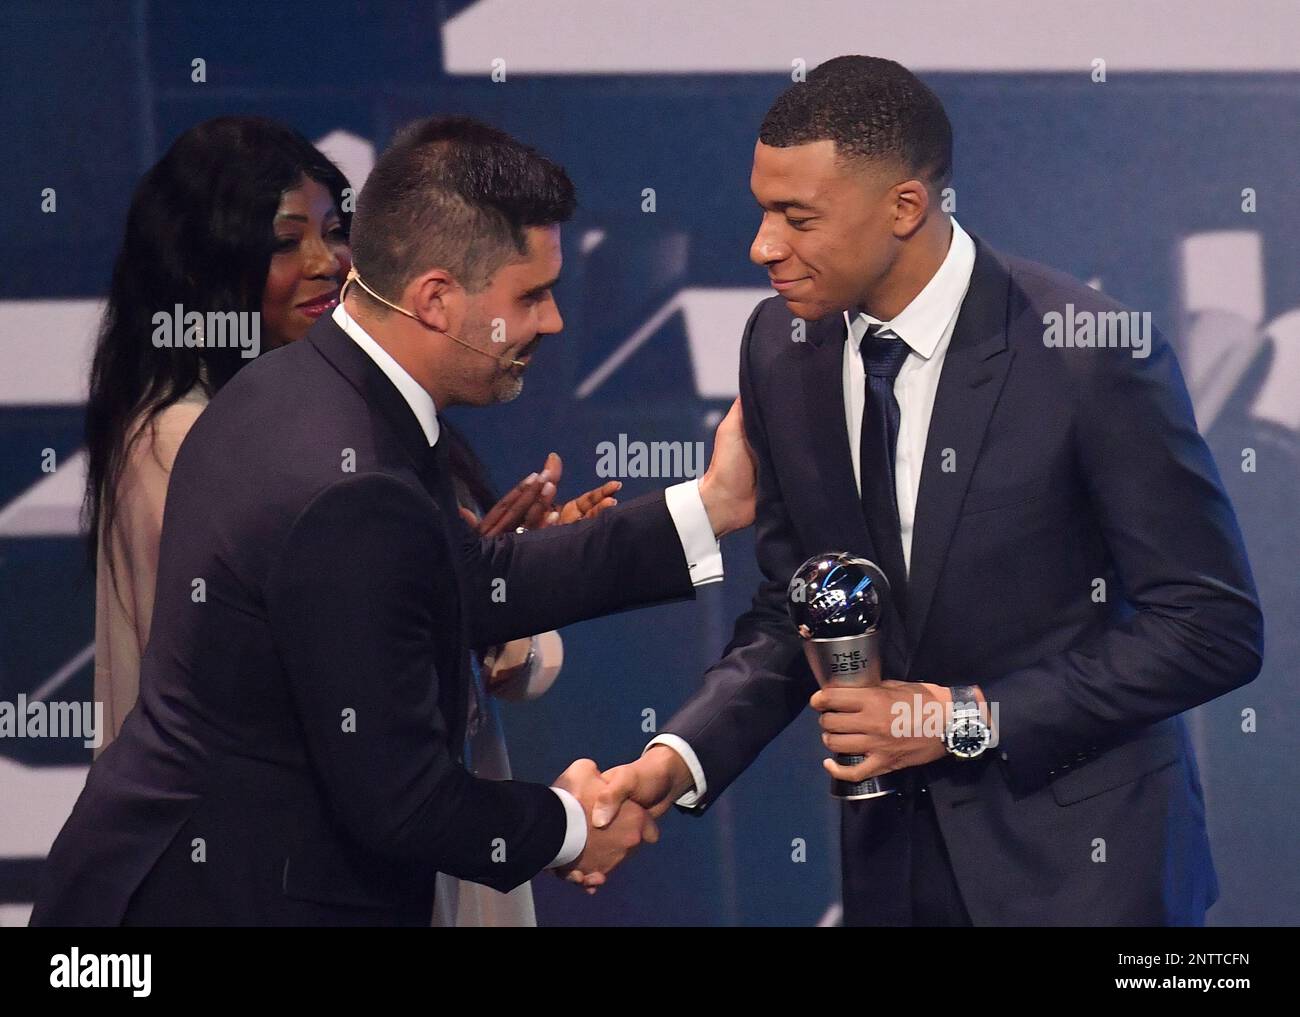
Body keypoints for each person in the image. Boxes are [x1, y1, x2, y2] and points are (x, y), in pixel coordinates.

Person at [31, 116, 755, 926]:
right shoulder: (352, 479)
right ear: (438, 299)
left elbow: (467, 582)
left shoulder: (306, 386)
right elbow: (401, 799)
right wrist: (573, 825)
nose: (552, 324)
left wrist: (712, 505)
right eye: (532, 296)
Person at [591, 55, 1263, 926]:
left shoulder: (1085, 353)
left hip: (1086, 880)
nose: (763, 246)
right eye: (762, 210)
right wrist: (681, 756)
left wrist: (964, 719)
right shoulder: (779, 346)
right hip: (893, 877)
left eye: (796, 217)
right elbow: (798, 603)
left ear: (905, 208)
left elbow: (1212, 628)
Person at [84, 116, 354, 754]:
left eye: (335, 233)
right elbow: (260, 670)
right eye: (286, 242)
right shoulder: (181, 437)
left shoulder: (308, 415)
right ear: (201, 270)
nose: (327, 263)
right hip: (234, 837)